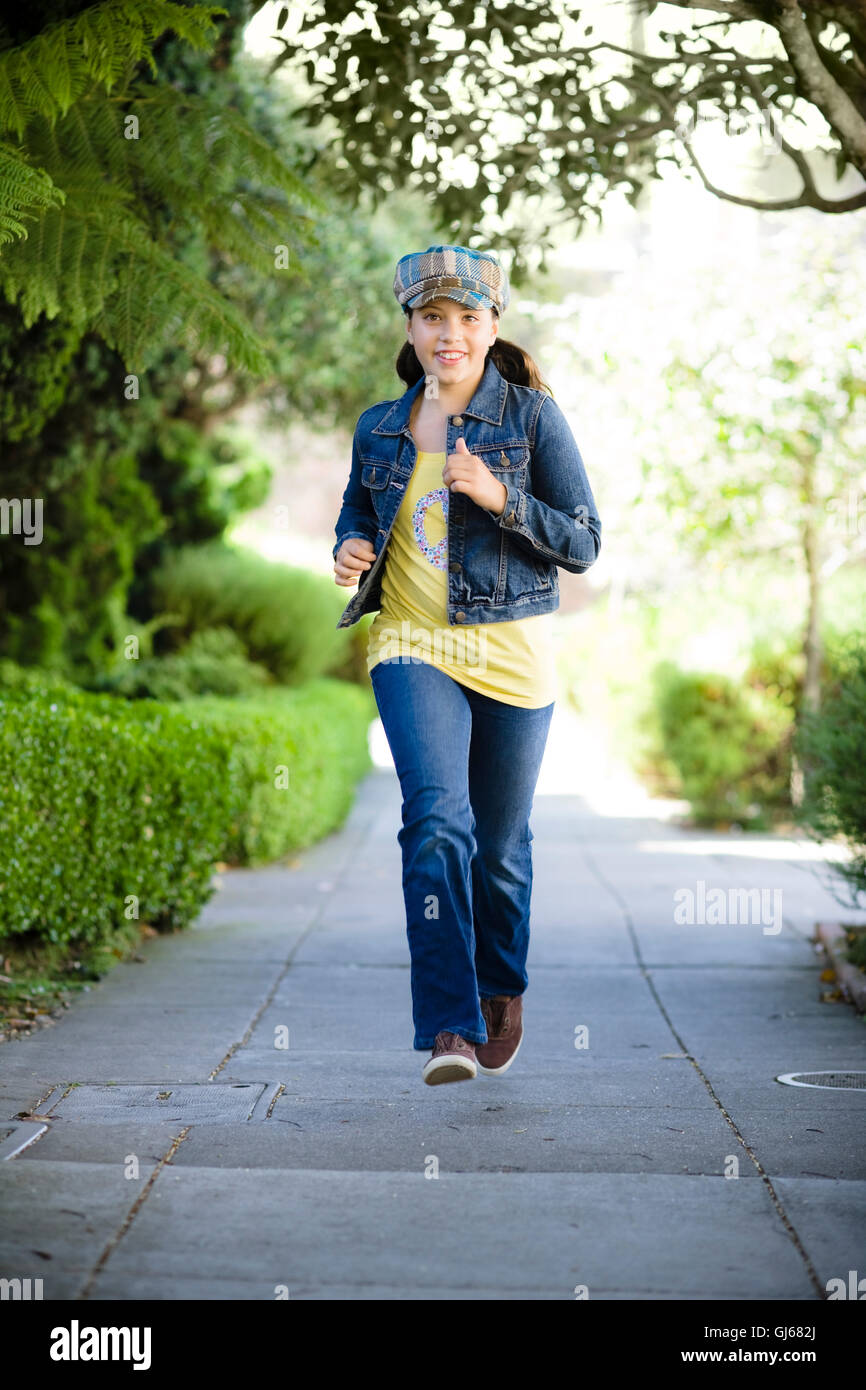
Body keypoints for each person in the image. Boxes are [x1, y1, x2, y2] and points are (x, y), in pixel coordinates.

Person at [332, 244, 601, 1085]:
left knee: (500, 847)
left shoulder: (531, 419)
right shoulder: (380, 425)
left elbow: (584, 541)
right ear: (410, 329)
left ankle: (500, 988)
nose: (449, 334)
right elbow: (356, 507)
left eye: (467, 318)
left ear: (492, 328)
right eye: (432, 319)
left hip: (514, 651)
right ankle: (449, 1027)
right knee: (437, 820)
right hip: (413, 643)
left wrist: (499, 498)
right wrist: (348, 542)